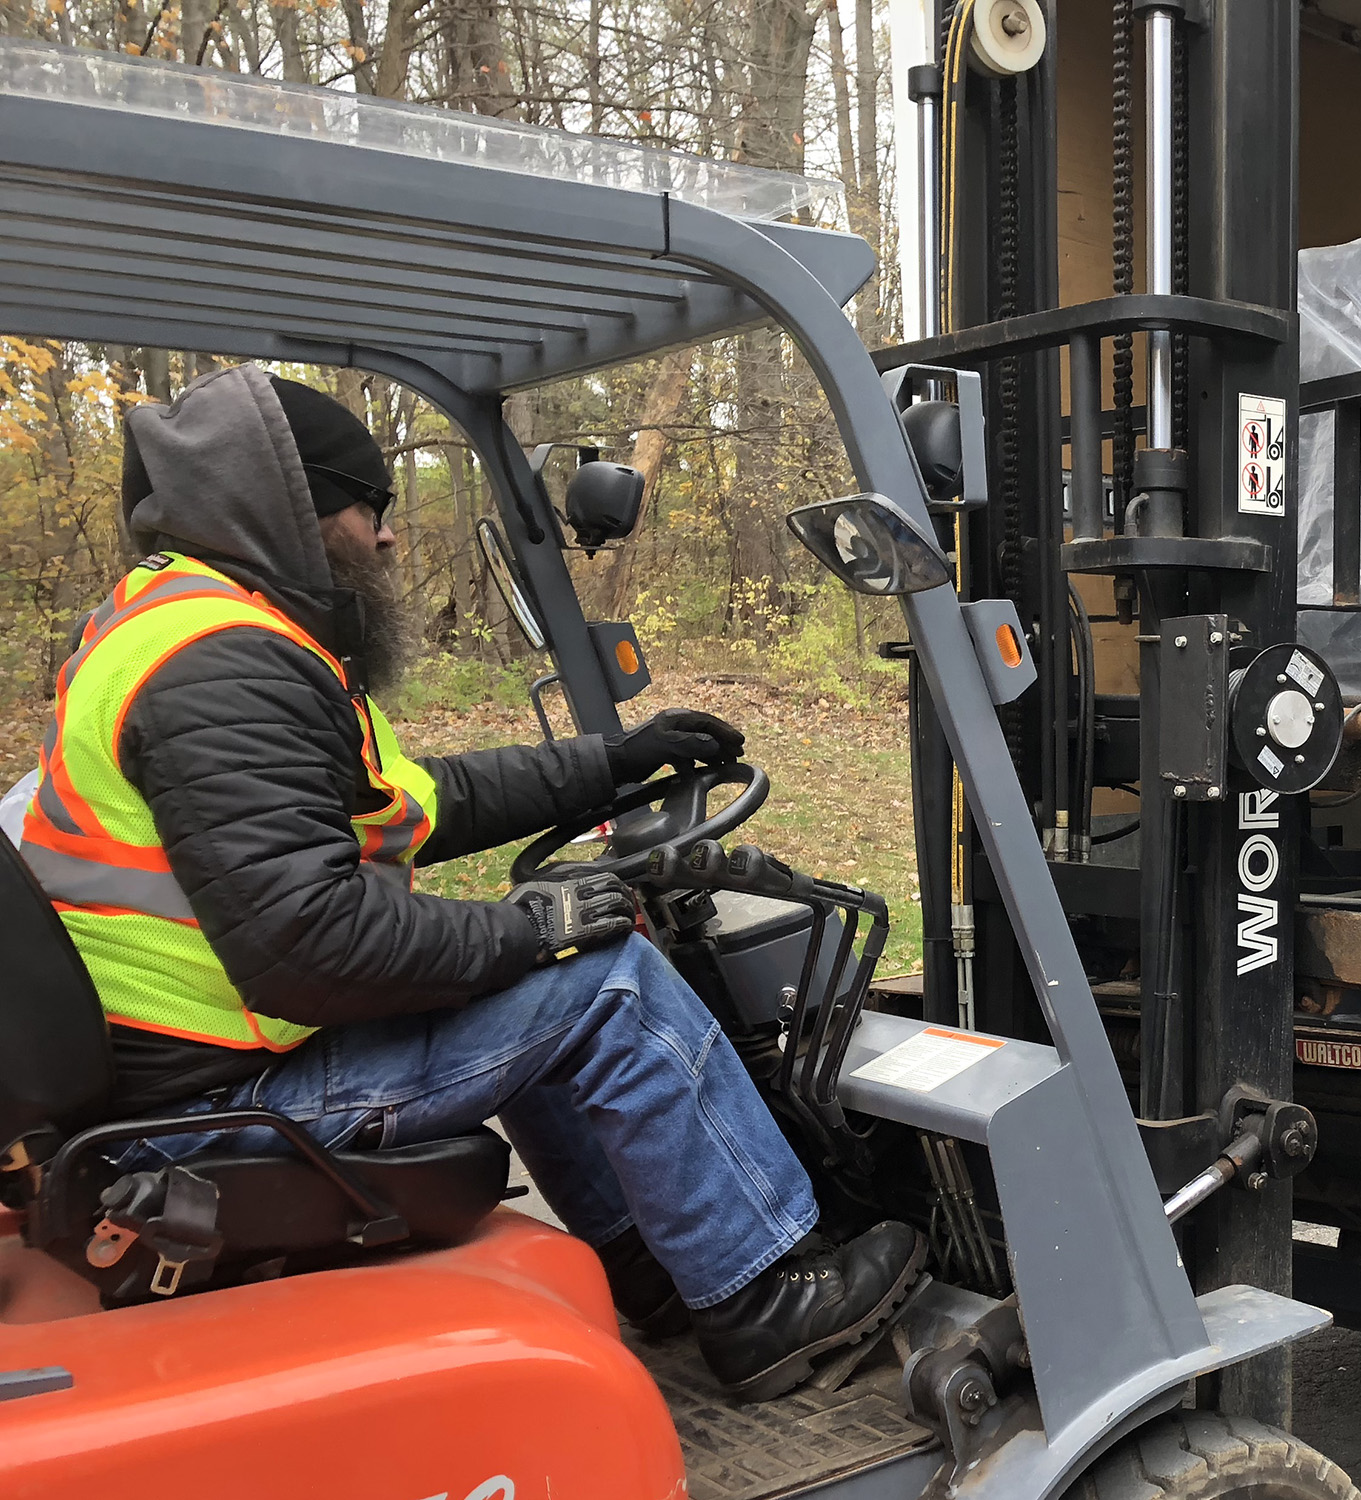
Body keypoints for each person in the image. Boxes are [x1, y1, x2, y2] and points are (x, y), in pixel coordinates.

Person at [18, 363, 921, 1401]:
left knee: (541, 978)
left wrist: (611, 760)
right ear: (297, 511)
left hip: (191, 1069)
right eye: (372, 508)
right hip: (220, 1104)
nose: (390, 536)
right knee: (607, 977)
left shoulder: (186, 627)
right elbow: (310, 944)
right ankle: (762, 1296)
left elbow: (413, 801)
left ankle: (659, 1271)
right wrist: (531, 932)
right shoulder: (226, 663)